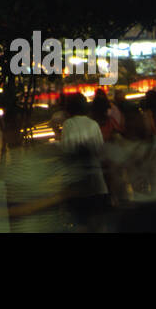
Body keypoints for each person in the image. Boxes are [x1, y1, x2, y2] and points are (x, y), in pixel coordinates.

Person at [59, 93, 109, 230]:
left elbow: (66, 150)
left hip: (77, 185)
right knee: (99, 224)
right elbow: (101, 151)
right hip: (97, 183)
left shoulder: (68, 124)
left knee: (82, 225)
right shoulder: (93, 124)